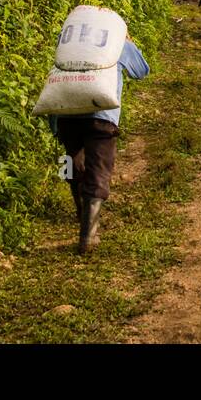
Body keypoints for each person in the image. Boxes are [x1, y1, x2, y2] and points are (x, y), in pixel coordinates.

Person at [51, 34, 149, 254]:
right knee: (98, 168)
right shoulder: (115, 40)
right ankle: (88, 235)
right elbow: (141, 70)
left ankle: (81, 213)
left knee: (71, 160)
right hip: (101, 116)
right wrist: (129, 41)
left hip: (65, 111)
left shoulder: (69, 39)